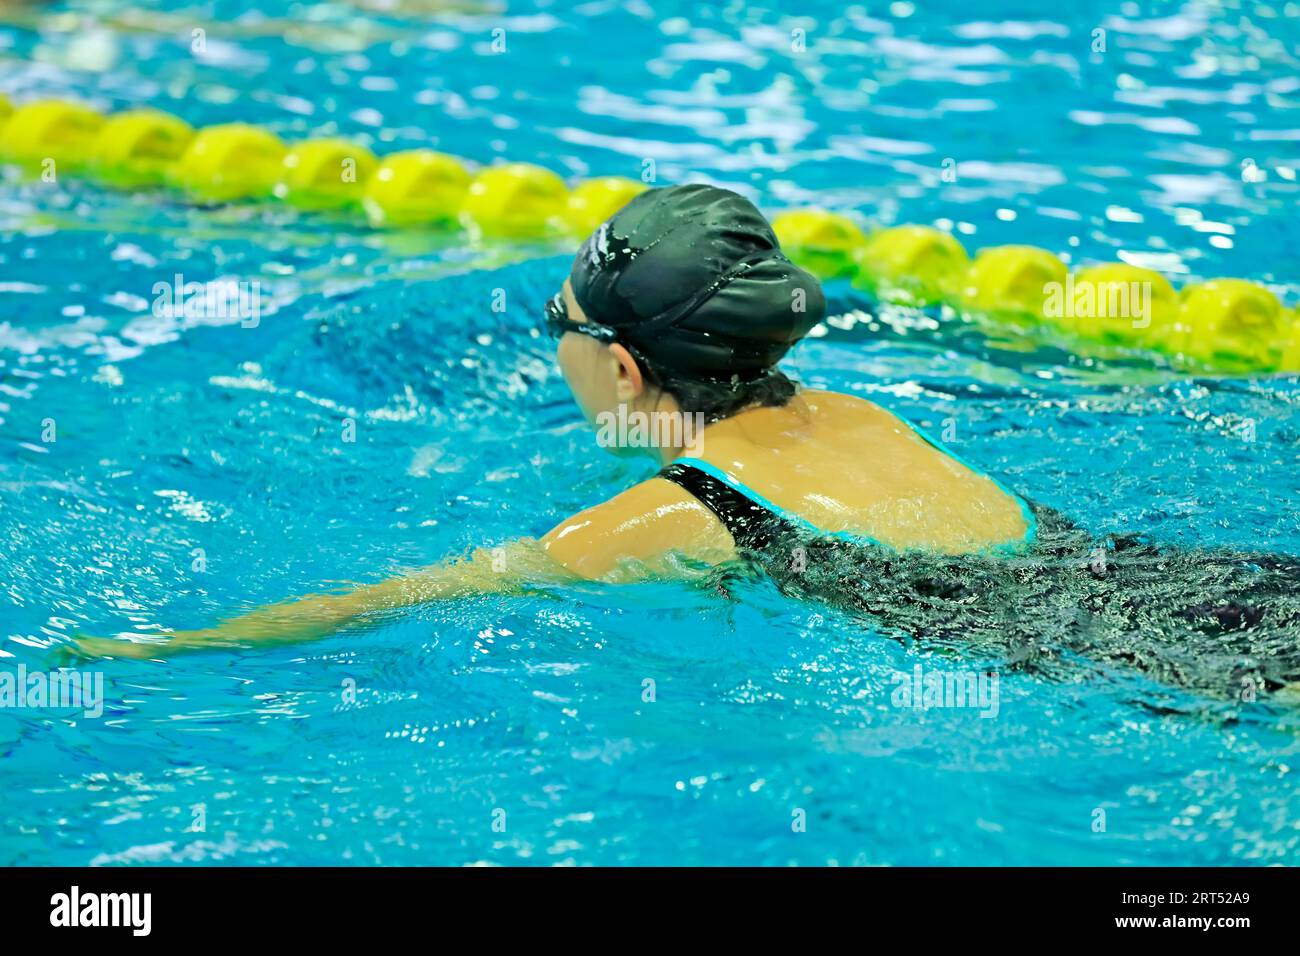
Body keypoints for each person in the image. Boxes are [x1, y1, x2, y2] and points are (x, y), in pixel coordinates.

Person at [67, 186, 1300, 703]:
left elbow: (397, 597)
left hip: (1150, 665)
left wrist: (155, 644)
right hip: (1189, 584)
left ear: (616, 362)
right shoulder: (858, 414)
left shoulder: (673, 516)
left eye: (561, 324)